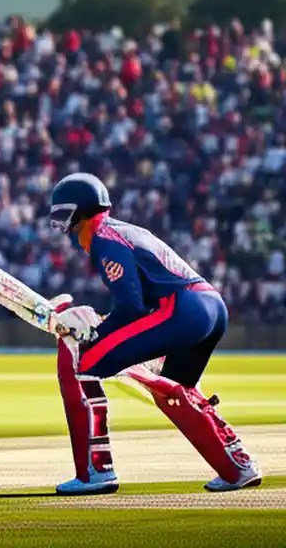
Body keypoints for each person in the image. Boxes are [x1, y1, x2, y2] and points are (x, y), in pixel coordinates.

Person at [46, 172, 262, 495]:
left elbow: (131, 307)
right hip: (210, 307)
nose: (70, 234)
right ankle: (237, 468)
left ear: (81, 213)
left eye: (69, 222)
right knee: (176, 391)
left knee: (80, 360)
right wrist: (102, 327)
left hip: (182, 310)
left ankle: (94, 472)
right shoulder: (124, 231)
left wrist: (92, 332)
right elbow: (137, 307)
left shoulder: (104, 238)